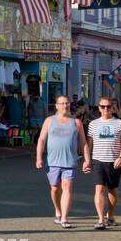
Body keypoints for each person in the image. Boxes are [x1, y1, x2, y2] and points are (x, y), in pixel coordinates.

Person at [35, 95, 90, 228]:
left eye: (67, 103)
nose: (64, 106)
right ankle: (58, 210)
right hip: (53, 162)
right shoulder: (49, 121)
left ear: (69, 105)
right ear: (57, 106)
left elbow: (83, 143)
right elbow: (41, 140)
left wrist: (87, 160)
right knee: (54, 189)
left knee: (67, 187)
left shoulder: (76, 122)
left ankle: (64, 217)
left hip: (70, 162)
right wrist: (39, 157)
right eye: (62, 103)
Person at [84, 97, 121, 229]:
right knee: (99, 189)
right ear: (99, 108)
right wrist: (87, 161)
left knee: (112, 190)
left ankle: (110, 215)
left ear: (113, 108)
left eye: (109, 106)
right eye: (103, 106)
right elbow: (89, 143)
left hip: (113, 161)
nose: (106, 109)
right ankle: (100, 219)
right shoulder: (93, 124)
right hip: (98, 160)